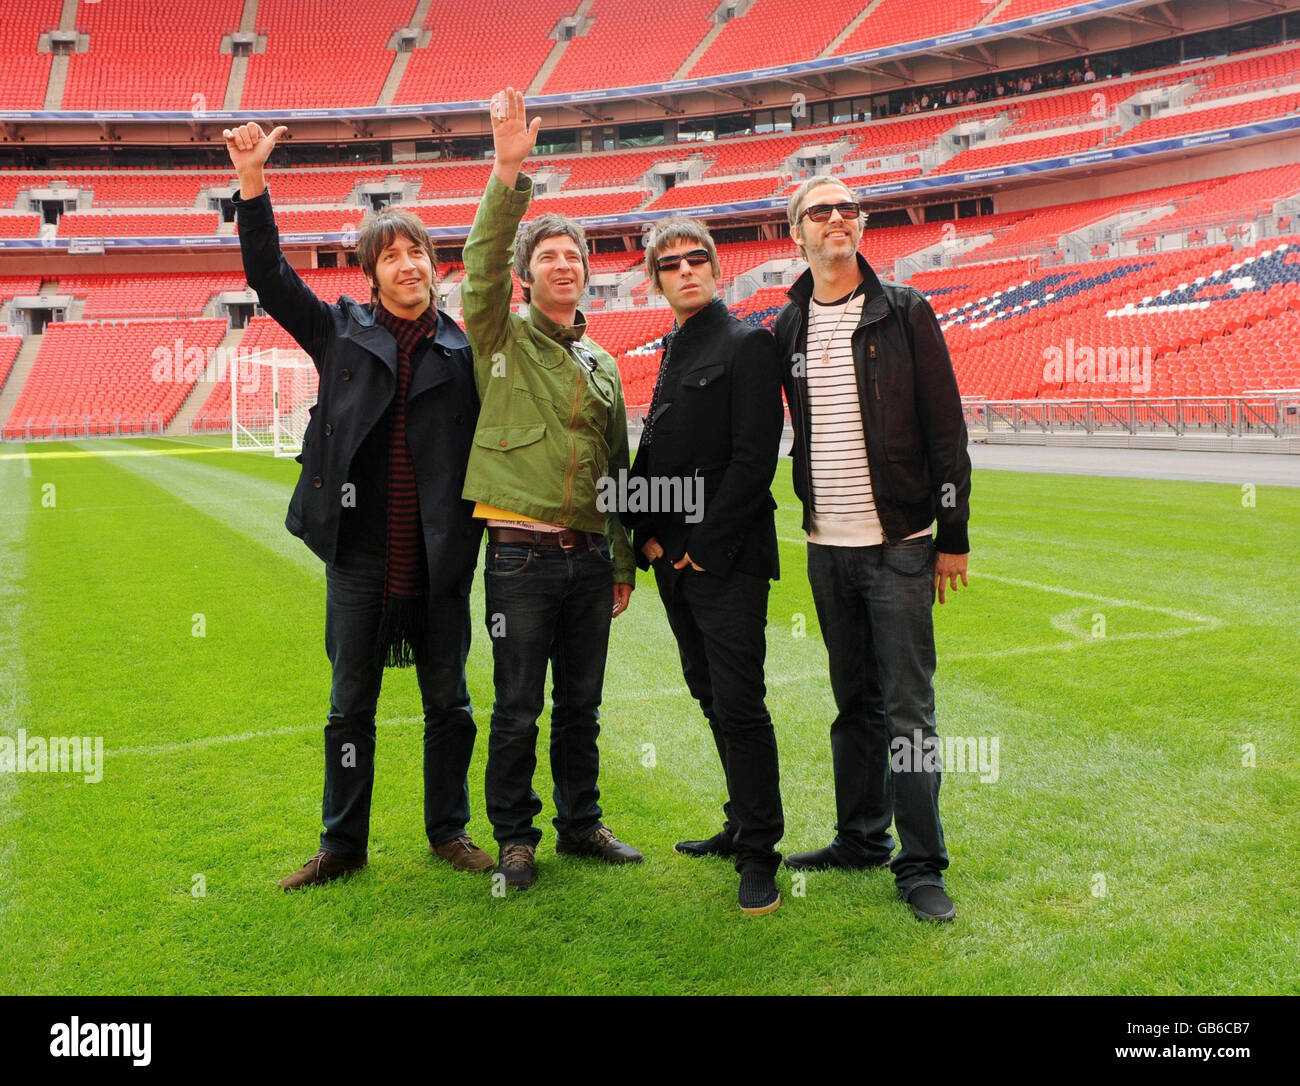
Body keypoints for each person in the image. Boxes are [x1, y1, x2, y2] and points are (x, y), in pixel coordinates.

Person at [225, 121, 490, 890]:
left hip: (439, 555)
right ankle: (342, 844)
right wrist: (252, 184)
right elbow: (270, 276)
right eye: (392, 256)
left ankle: (449, 830)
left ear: (434, 268)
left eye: (418, 253)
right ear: (371, 275)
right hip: (359, 556)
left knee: (451, 704)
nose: (408, 265)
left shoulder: (462, 350)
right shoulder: (338, 331)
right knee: (350, 710)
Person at [774, 175, 971, 923]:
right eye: (820, 210)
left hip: (900, 546)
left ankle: (921, 863)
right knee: (852, 702)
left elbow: (947, 431)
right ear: (797, 233)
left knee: (908, 711)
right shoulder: (789, 325)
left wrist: (952, 536)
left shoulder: (906, 311)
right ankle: (860, 837)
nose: (837, 219)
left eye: (848, 208)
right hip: (828, 547)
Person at [460, 88, 641, 891]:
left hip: (590, 560)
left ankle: (579, 825)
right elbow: (478, 264)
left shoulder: (602, 363)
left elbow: (619, 468)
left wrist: (625, 562)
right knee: (517, 707)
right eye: (549, 256)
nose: (563, 264)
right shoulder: (499, 334)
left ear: (585, 274)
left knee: (582, 707)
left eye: (574, 256)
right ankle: (515, 837)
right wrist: (508, 172)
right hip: (521, 560)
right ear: (529, 276)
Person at [626, 217, 785, 915]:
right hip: (676, 562)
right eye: (671, 264)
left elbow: (754, 460)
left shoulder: (748, 343)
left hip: (729, 560)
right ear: (656, 279)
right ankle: (740, 822)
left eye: (697, 260)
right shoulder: (674, 346)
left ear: (716, 270)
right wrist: (644, 535)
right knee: (708, 693)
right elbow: (659, 456)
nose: (686, 271)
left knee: (741, 703)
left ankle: (760, 856)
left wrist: (697, 544)